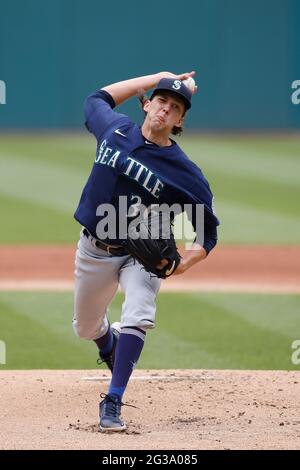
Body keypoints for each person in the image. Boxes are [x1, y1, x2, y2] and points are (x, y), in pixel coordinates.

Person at [72, 71, 219, 432]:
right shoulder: (115, 129)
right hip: (94, 249)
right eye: (161, 101)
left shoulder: (184, 172)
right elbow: (96, 98)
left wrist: (186, 262)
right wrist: (155, 77)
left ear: (180, 120)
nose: (165, 110)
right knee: (86, 326)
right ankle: (110, 346)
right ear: (147, 103)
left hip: (142, 255)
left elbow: (207, 231)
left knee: (139, 310)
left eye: (175, 108)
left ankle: (113, 400)